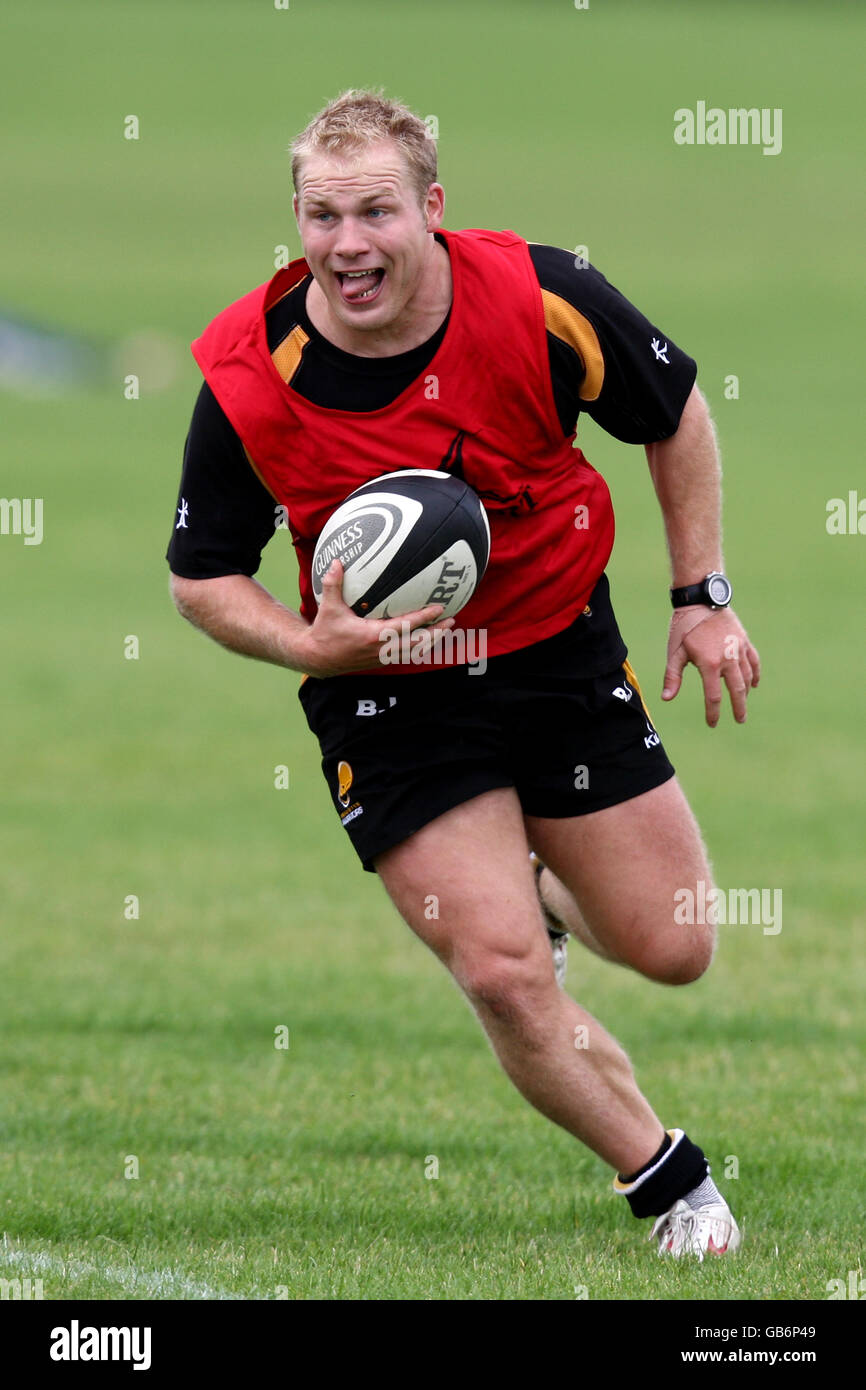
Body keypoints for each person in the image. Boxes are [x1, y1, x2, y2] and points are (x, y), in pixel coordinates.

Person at [167, 90, 760, 1259]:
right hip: (386, 688)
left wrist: (699, 597)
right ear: (296, 224)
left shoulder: (535, 298)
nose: (347, 243)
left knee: (675, 943)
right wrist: (305, 646)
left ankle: (542, 890)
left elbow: (674, 410)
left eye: (376, 211)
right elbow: (200, 577)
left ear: (430, 210)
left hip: (553, 649)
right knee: (495, 968)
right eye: (322, 215)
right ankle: (668, 1182)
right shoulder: (249, 371)